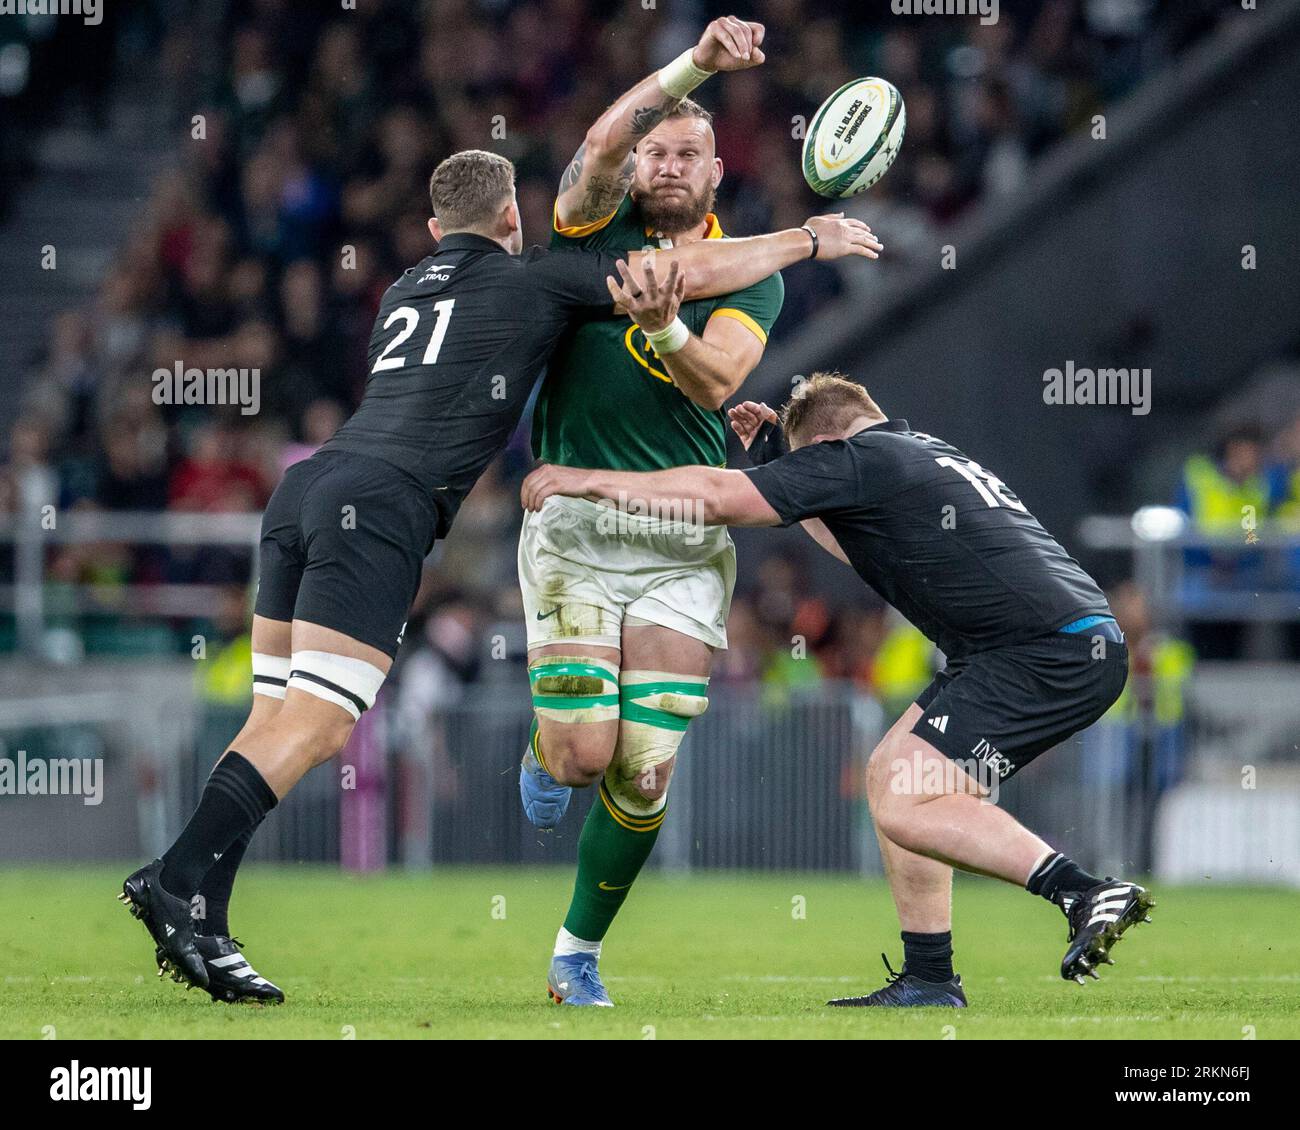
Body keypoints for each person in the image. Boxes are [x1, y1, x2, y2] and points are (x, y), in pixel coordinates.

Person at [119, 148, 879, 1003]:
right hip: (382, 506)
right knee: (323, 727)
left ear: (436, 231)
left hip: (303, 489)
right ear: (515, 222)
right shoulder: (535, 280)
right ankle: (174, 880)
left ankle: (209, 924)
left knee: (270, 717)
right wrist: (806, 240)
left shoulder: (405, 292)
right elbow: (676, 269)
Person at [522, 372, 1154, 1007]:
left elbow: (717, 498)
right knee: (890, 778)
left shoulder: (863, 460)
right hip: (1039, 644)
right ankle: (930, 977)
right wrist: (779, 463)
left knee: (909, 799)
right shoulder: (913, 454)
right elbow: (849, 538)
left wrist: (587, 481)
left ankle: (1079, 890)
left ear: (826, 443)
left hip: (1040, 653)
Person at [517, 15, 878, 1009]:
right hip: (577, 531)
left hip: (682, 536)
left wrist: (662, 320)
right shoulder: (591, 226)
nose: (669, 164)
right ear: (636, 169)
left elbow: (717, 380)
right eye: (655, 152)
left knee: (641, 771)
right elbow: (594, 145)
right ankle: (544, 742)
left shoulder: (750, 269)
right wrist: (696, 64)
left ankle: (574, 954)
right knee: (581, 754)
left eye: (689, 152)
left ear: (717, 174)